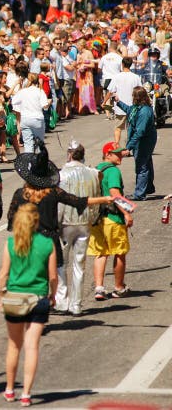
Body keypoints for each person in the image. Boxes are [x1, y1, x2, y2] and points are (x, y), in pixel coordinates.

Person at [0, 203, 57, 407]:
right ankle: (26, 393)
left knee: (14, 345)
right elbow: (52, 276)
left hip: (14, 297)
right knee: (32, 347)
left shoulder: (10, 243)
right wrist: (53, 295)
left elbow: (4, 274)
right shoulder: (46, 243)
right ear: (36, 221)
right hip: (38, 297)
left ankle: (8, 389)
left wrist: (2, 295)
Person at [55, 142, 100, 316]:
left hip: (66, 222)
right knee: (79, 264)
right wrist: (93, 218)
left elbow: (59, 202)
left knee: (62, 263)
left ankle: (63, 300)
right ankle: (76, 304)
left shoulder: (61, 175)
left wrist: (56, 222)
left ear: (69, 155)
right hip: (84, 221)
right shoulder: (93, 173)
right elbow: (95, 195)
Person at [88, 142, 132, 300]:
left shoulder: (96, 169)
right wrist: (126, 213)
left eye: (121, 153)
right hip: (112, 218)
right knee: (120, 252)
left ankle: (99, 288)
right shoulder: (113, 171)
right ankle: (119, 287)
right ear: (107, 154)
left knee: (100, 253)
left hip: (96, 218)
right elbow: (114, 193)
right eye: (117, 153)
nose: (121, 156)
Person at [115, 86, 157, 200]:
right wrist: (118, 102)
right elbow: (130, 110)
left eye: (134, 95)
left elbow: (140, 132)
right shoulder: (137, 107)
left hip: (145, 141)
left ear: (137, 97)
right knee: (146, 162)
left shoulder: (144, 112)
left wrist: (128, 147)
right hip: (143, 139)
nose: (132, 97)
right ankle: (148, 188)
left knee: (141, 166)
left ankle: (139, 194)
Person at [104, 56, 141, 145]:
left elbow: (110, 91)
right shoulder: (136, 77)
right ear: (131, 65)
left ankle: (117, 144)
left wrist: (104, 101)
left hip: (120, 107)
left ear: (122, 64)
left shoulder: (117, 77)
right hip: (133, 107)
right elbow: (140, 91)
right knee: (130, 128)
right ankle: (127, 146)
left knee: (118, 127)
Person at [10, 73, 50, 154]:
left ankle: (29, 164)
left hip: (25, 118)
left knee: (28, 144)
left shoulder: (23, 91)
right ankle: (39, 163)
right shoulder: (39, 91)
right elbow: (45, 106)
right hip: (37, 118)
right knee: (39, 143)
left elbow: (14, 101)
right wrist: (49, 102)